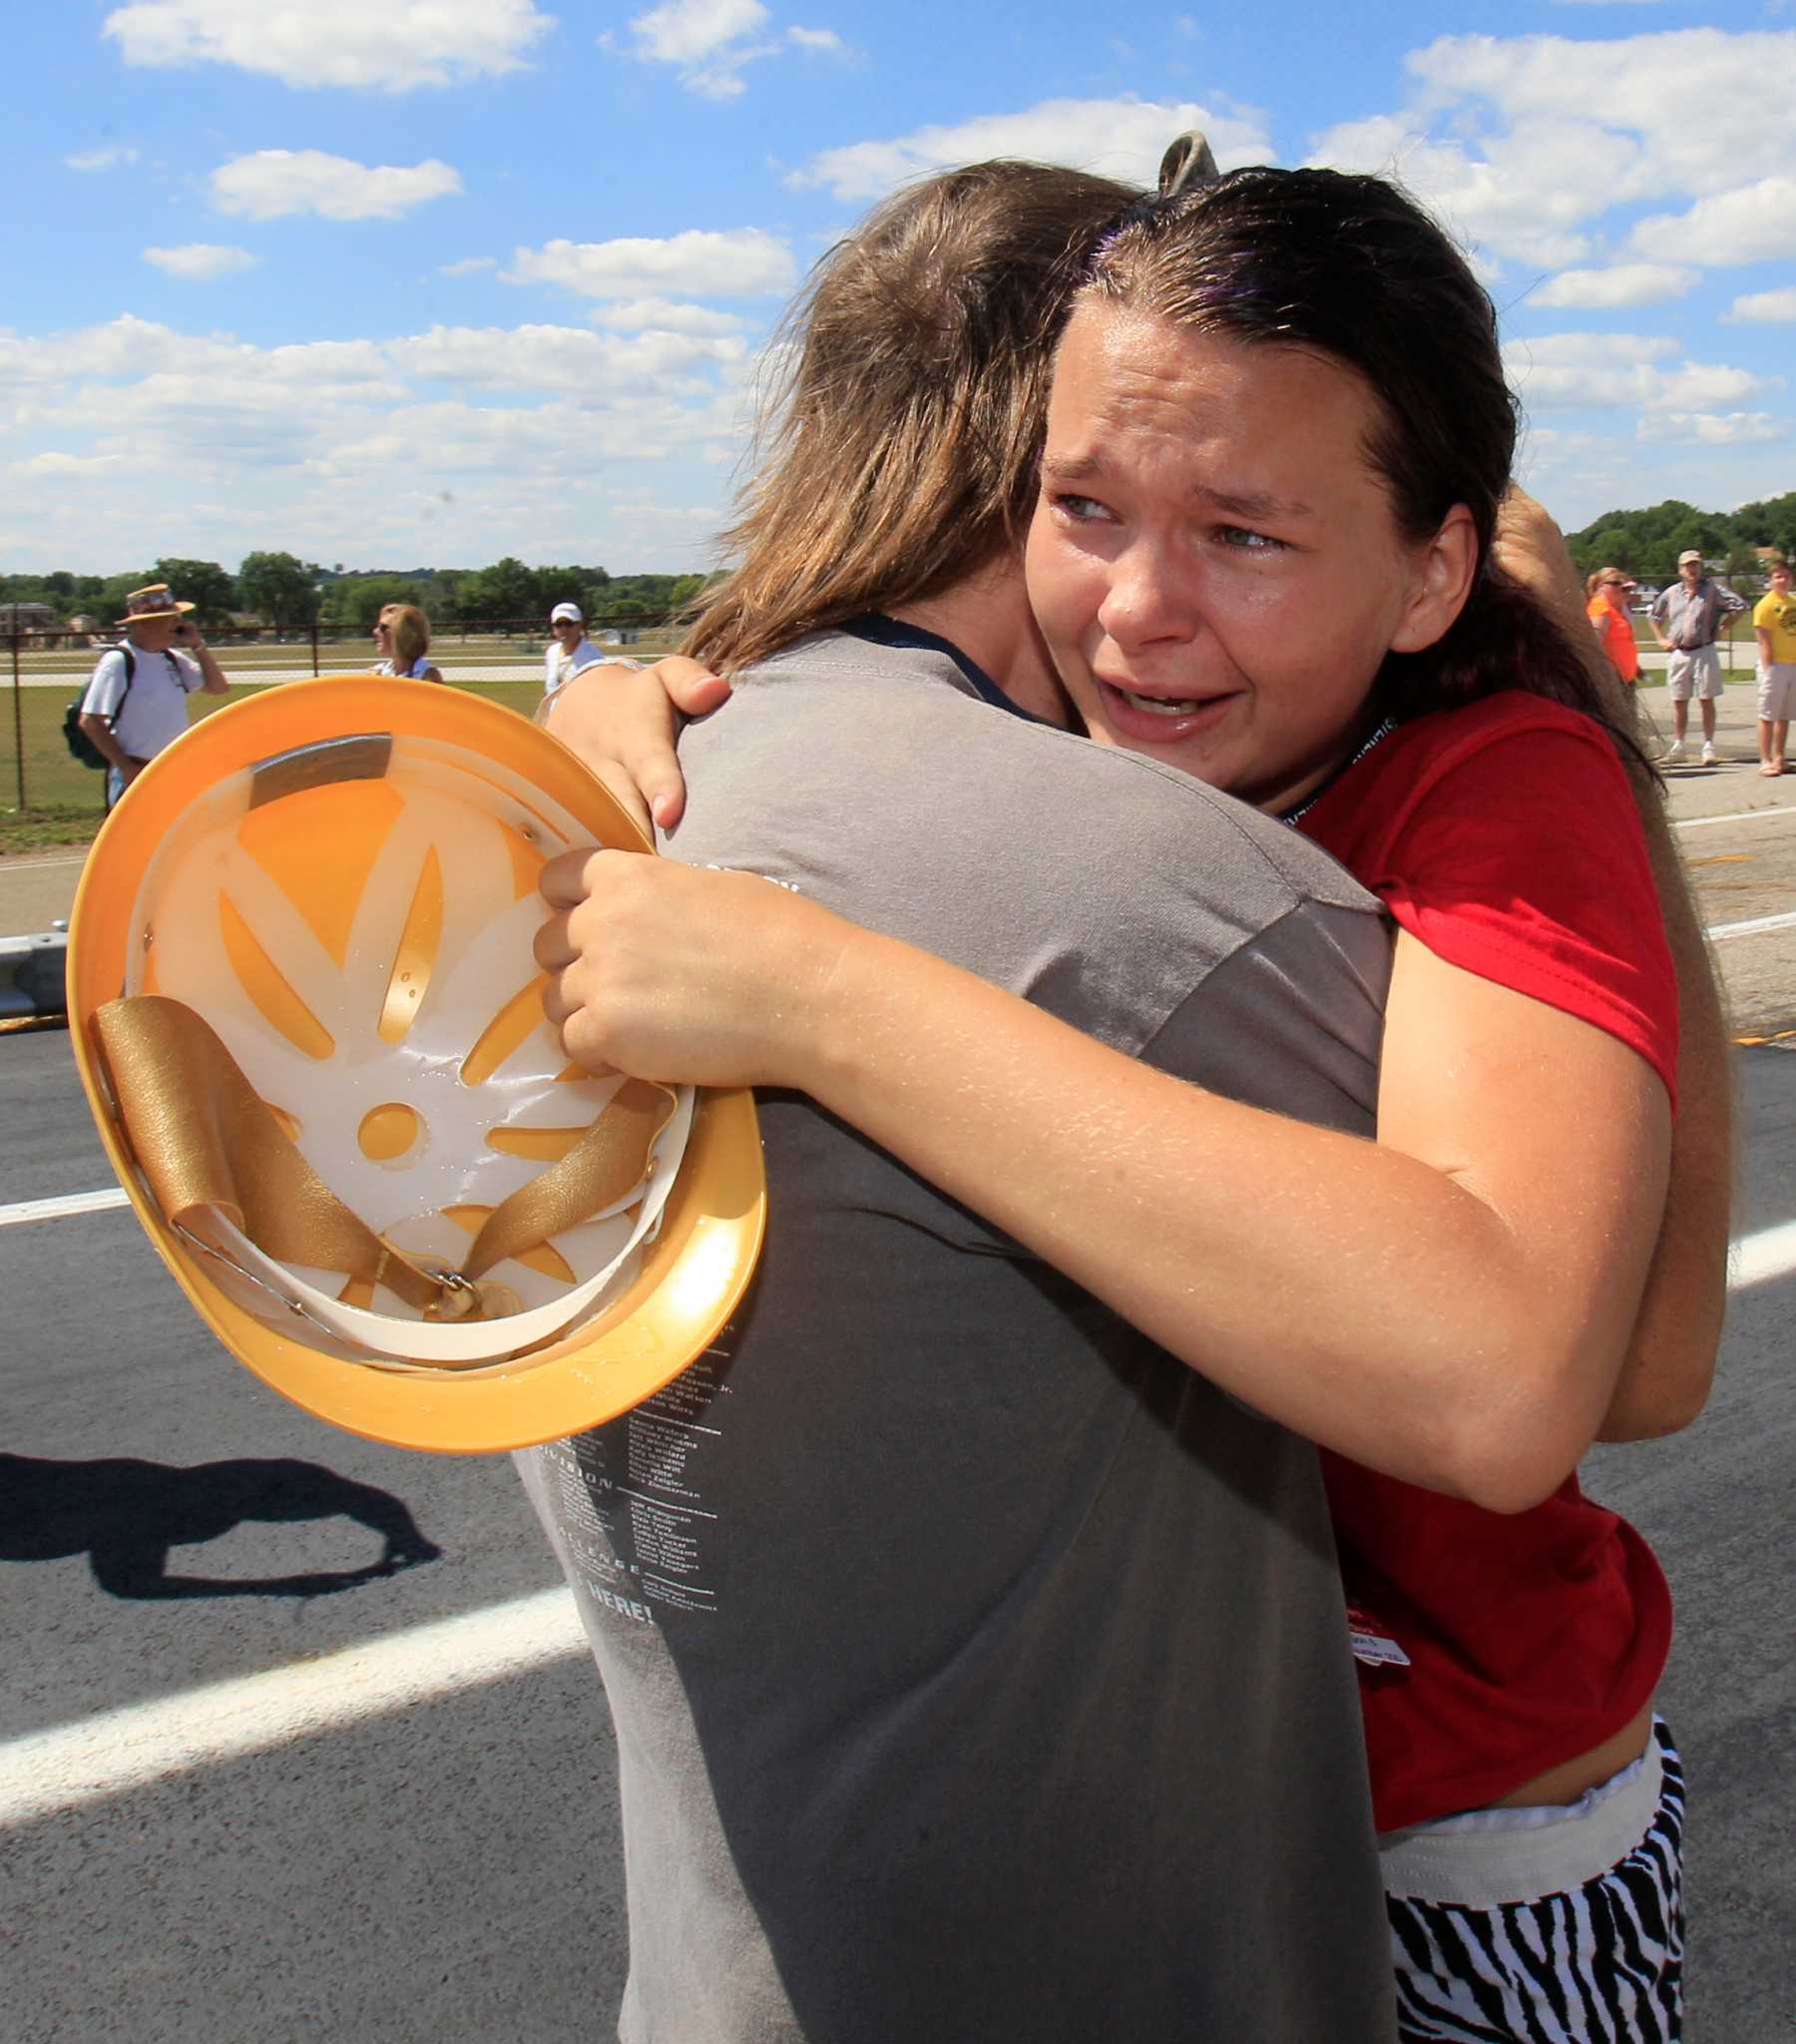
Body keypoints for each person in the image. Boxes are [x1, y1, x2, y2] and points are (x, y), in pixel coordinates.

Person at [542, 169, 1733, 2044]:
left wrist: (825, 999)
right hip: (1211, 1809)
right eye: (1084, 506)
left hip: (1458, 1820)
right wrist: (642, 693)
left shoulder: (1494, 788)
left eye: (1246, 535)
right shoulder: (1110, 764)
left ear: (1431, 571)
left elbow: (1583, 1373)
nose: (1139, 613)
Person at [77, 581, 230, 808]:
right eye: (170, 618)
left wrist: (198, 646)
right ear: (144, 623)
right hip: (136, 771)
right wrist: (126, 768)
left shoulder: (171, 658)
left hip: (171, 771)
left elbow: (218, 687)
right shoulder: (119, 661)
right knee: (134, 843)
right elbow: (90, 721)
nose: (177, 623)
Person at [1651, 550, 1745, 764]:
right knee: (1679, 700)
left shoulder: (1712, 591)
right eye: (1688, 566)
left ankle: (1708, 745)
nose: (1692, 570)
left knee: (1706, 699)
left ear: (1701, 568)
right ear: (1680, 569)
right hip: (1680, 652)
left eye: (1695, 565)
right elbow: (1654, 616)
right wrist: (1661, 639)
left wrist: (1724, 626)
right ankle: (1679, 745)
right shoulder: (1672, 593)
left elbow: (1739, 606)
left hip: (1704, 650)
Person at [1752, 555, 1796, 775]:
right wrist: (1769, 669)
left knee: (1784, 715)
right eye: (1778, 577)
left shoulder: (1793, 603)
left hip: (1793, 665)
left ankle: (1780, 757)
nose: (1783, 580)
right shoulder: (1765, 606)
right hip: (1774, 666)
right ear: (1770, 580)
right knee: (1768, 714)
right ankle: (1765, 759)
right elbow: (1763, 640)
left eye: (1787, 576)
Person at [1586, 565, 1640, 685]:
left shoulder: (1613, 610)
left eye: (1623, 584)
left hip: (1623, 679)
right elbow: (1594, 645)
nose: (1621, 587)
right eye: (1616, 583)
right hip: (1612, 681)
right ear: (1600, 586)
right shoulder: (1600, 608)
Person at [543, 601, 603, 698]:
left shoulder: (594, 657)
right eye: (558, 624)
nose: (564, 629)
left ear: (580, 625)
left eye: (569, 623)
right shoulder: (551, 652)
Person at [370, 602, 442, 682]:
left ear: (402, 633)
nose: (375, 631)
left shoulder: (427, 676)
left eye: (382, 627)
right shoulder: (377, 673)